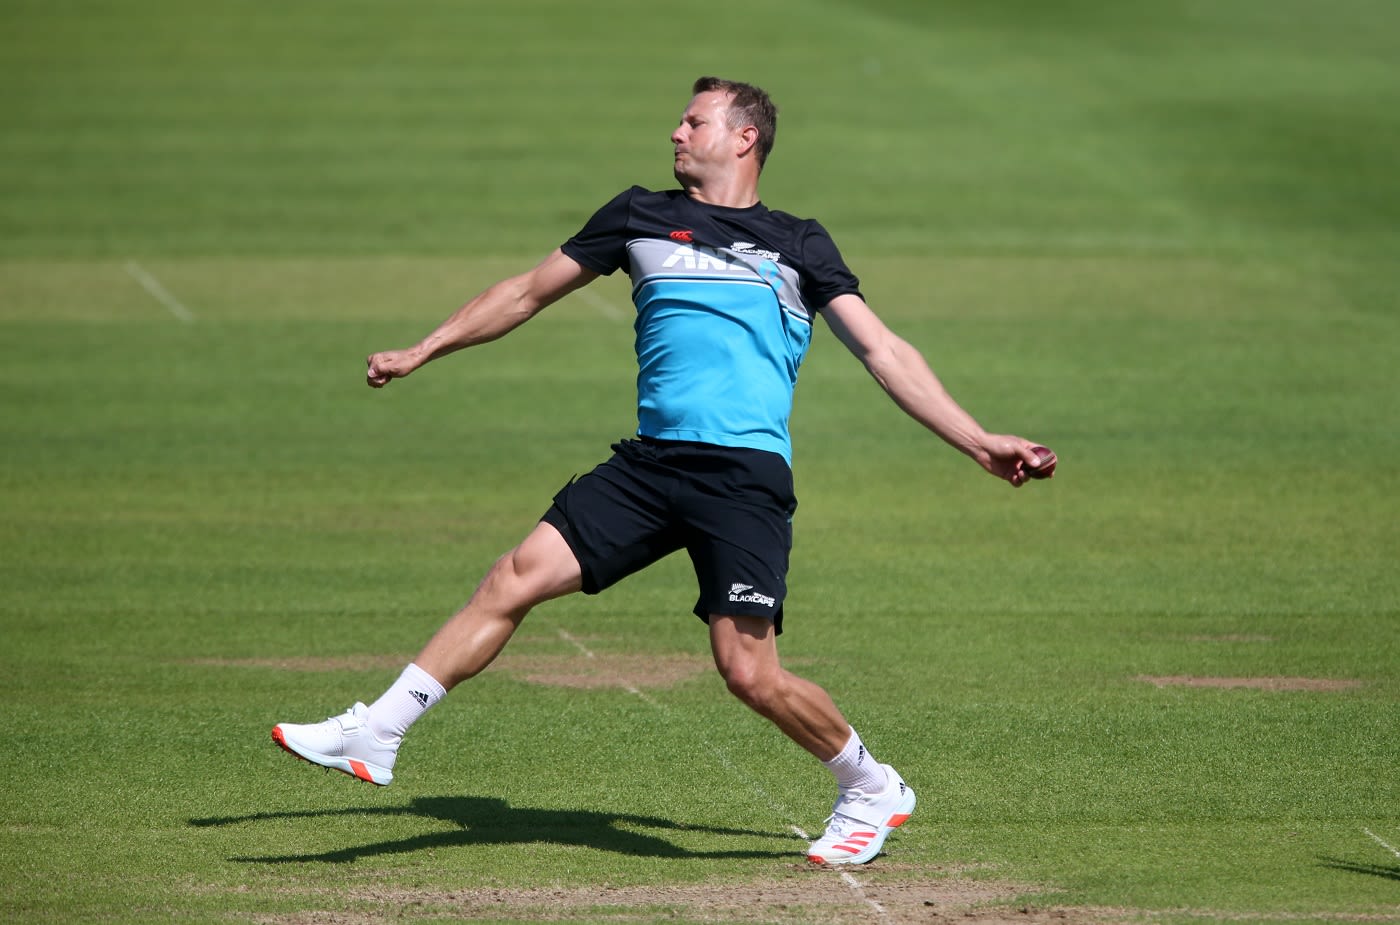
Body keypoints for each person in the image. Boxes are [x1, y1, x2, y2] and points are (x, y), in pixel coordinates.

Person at [271, 76, 1054, 866]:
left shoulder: (799, 243)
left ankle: (872, 786)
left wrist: (976, 438)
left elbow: (882, 351)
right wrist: (423, 348)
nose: (675, 133)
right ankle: (380, 729)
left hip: (742, 477)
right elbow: (522, 293)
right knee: (514, 575)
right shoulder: (638, 215)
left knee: (748, 672)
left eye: (694, 121)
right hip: (650, 465)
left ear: (744, 137)